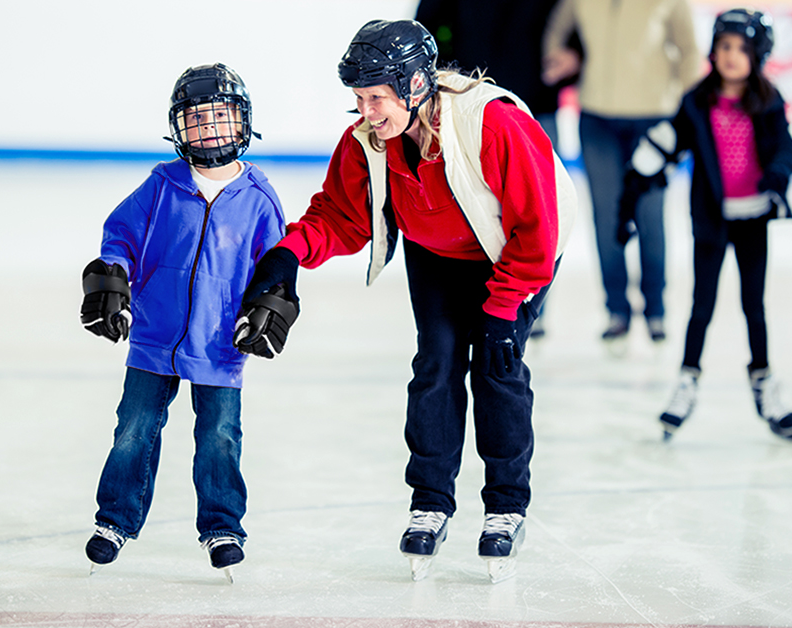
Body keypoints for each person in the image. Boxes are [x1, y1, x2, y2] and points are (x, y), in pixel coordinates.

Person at [236, 20, 576, 583]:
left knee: (497, 370)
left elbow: (537, 231)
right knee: (437, 365)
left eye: (376, 98)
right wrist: (287, 256)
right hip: (438, 255)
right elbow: (340, 217)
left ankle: (506, 507)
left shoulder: (493, 124)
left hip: (512, 254)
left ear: (416, 84)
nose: (367, 112)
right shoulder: (367, 140)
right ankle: (431, 500)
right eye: (358, 100)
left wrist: (503, 310)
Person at [79, 63, 287, 581]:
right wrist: (112, 278)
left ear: (242, 122)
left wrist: (272, 305)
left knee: (220, 435)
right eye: (198, 120)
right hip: (154, 334)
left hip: (220, 343)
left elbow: (278, 264)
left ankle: (222, 526)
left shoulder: (259, 199)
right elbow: (120, 237)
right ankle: (115, 521)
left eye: (221, 116)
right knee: (134, 428)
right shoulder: (161, 185)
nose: (210, 129)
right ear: (179, 128)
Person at [625, 9, 792, 442]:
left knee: (753, 306)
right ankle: (686, 380)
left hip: (754, 215)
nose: (731, 56)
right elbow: (671, 138)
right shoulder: (697, 101)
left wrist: (777, 176)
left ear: (758, 54)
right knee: (700, 306)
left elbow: (785, 146)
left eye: (742, 48)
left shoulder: (769, 100)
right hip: (711, 220)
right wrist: (641, 172)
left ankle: (764, 382)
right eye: (724, 46)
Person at [415, 0, 580, 340]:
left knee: (541, 211)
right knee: (470, 209)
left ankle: (530, 304)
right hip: (466, 111)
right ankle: (479, 303)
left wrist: (573, 57)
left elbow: (575, 22)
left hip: (535, 103)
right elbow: (427, 28)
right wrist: (448, 79)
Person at [542, 0, 702, 349]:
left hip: (654, 118)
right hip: (597, 118)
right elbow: (557, 27)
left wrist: (690, 108)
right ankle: (616, 310)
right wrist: (557, 55)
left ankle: (655, 308)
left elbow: (689, 49)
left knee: (649, 215)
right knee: (606, 217)